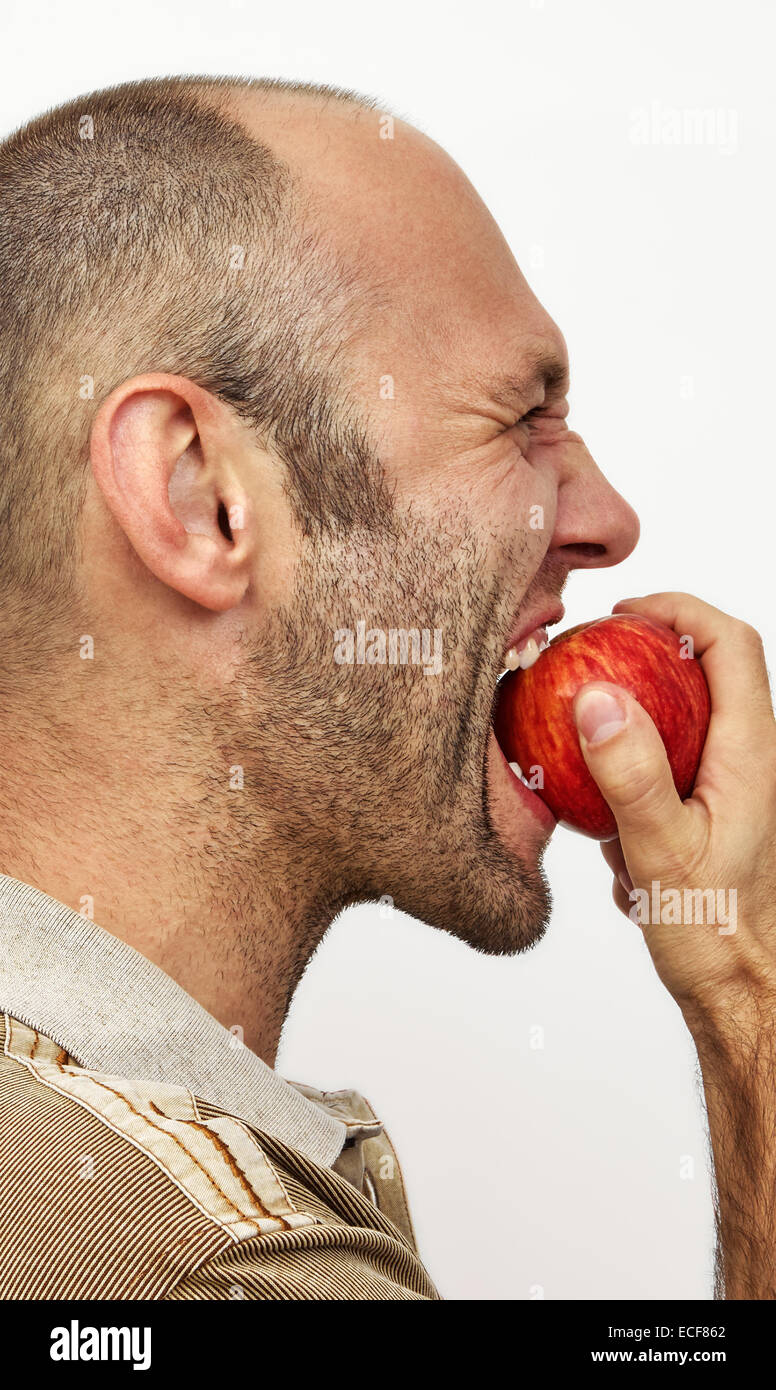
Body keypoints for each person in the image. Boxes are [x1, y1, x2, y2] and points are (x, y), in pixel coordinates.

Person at [0, 74, 773, 1301]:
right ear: (204, 498)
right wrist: (751, 1003)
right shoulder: (212, 1265)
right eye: (523, 418)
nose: (609, 523)